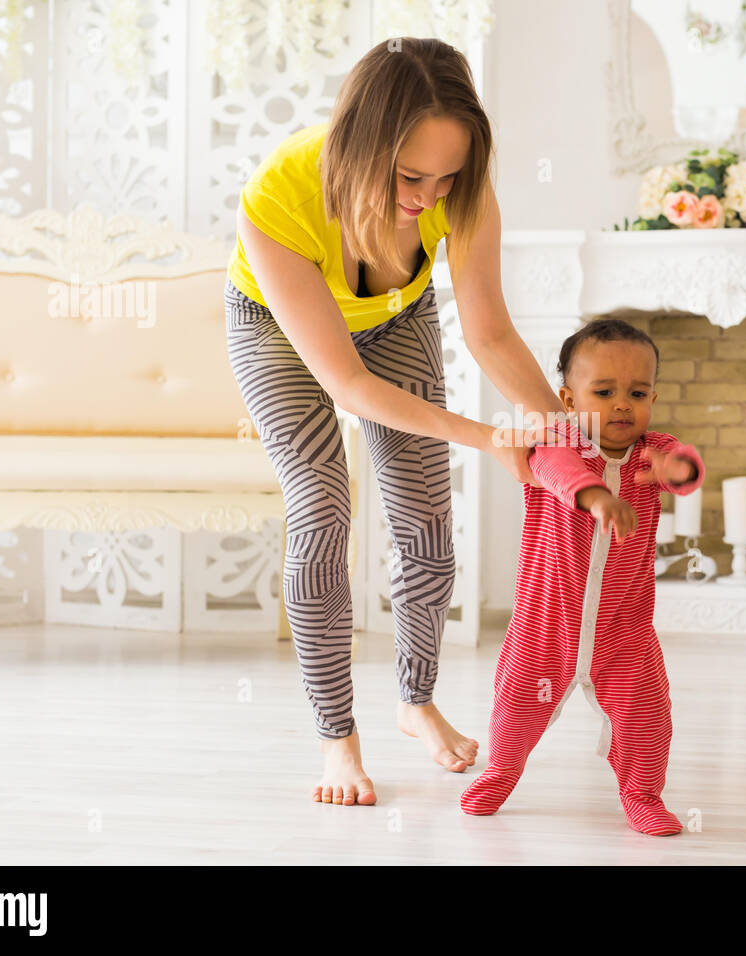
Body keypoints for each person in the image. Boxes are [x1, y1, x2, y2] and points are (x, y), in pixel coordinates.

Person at [224, 37, 564, 807]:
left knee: (426, 521)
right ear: (360, 145)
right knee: (321, 508)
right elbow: (345, 384)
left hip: (394, 317)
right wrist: (487, 437)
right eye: (412, 176)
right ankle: (337, 738)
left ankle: (416, 702)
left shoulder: (463, 192)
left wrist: (554, 430)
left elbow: (489, 334)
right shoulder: (279, 194)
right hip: (279, 328)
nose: (430, 195)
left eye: (447, 177)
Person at [459, 318, 706, 835]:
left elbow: (687, 468)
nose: (622, 404)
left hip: (624, 628)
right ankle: (503, 771)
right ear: (568, 401)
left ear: (653, 398)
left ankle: (641, 792)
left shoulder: (653, 451)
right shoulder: (556, 443)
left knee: (648, 718)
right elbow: (557, 473)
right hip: (544, 626)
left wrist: (677, 471)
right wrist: (597, 497)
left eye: (637, 393)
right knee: (514, 711)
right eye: (605, 391)